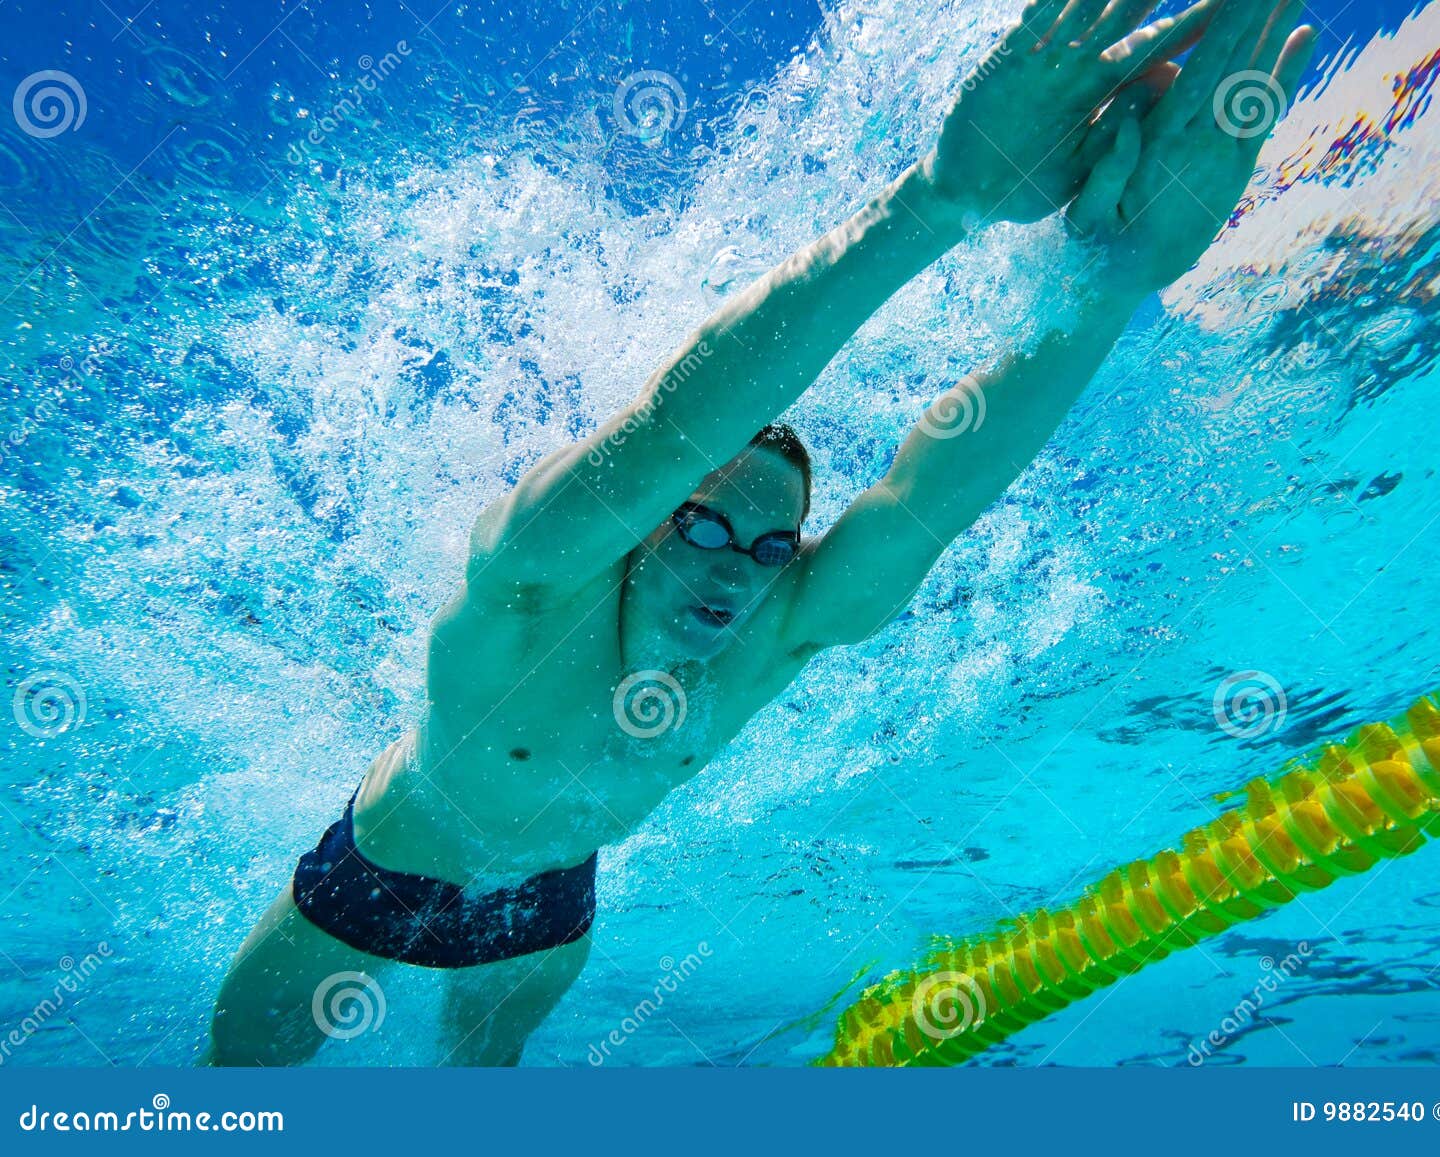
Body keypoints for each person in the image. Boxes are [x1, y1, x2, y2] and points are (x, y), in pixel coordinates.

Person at [209, 0, 1315, 1066]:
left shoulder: (772, 632)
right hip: (376, 877)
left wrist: (1110, 288)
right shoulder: (532, 582)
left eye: (771, 546)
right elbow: (670, 421)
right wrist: (936, 202)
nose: (738, 570)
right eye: (701, 526)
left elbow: (930, 495)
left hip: (544, 913)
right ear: (642, 529)